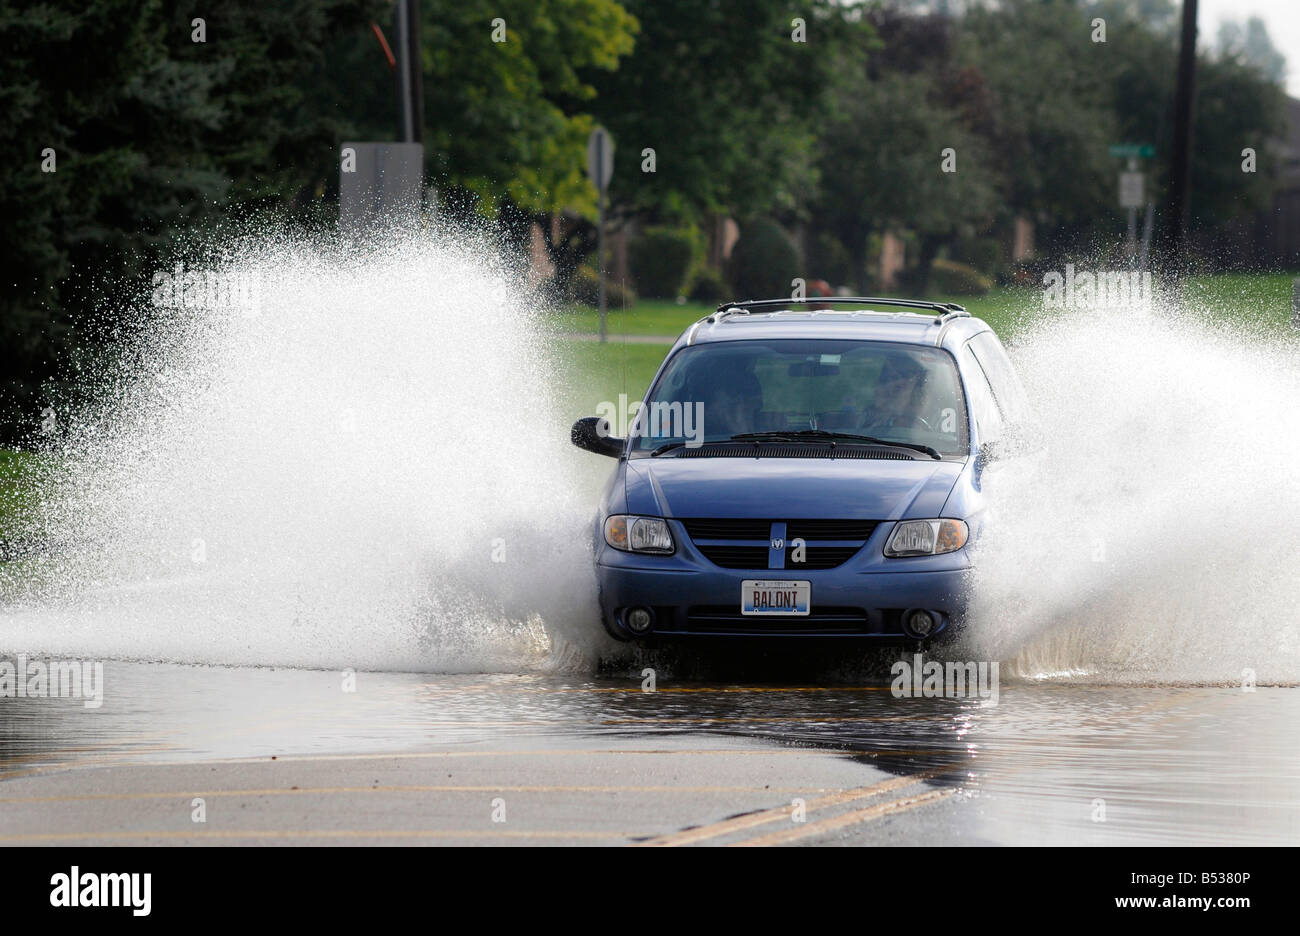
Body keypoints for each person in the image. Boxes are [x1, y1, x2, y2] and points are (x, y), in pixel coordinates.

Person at [861, 353, 930, 434]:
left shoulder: (923, 430)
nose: (890, 387)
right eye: (885, 380)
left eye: (900, 387)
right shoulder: (859, 421)